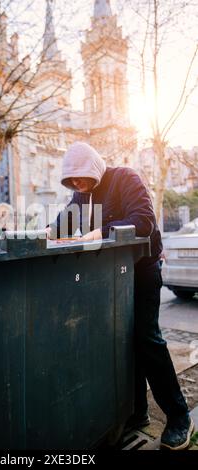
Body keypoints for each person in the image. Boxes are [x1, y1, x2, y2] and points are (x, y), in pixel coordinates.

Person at [47, 141, 194, 451]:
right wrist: (43, 233)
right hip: (112, 275)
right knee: (123, 341)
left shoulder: (125, 178)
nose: (78, 184)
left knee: (146, 339)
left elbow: (144, 222)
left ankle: (179, 416)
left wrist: (102, 231)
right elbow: (62, 225)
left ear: (95, 168)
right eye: (71, 180)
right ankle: (137, 413)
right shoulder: (82, 195)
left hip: (142, 270)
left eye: (81, 177)